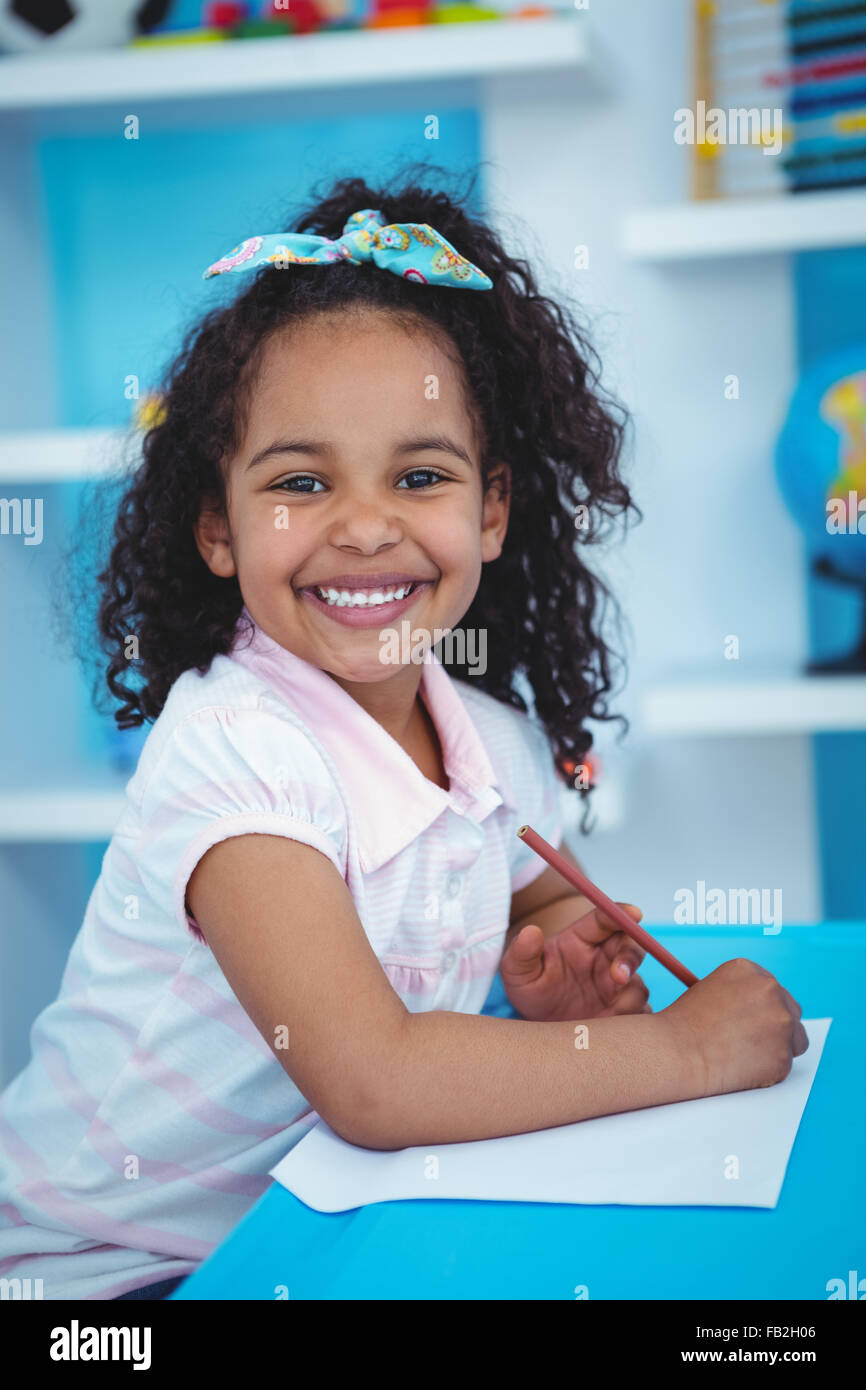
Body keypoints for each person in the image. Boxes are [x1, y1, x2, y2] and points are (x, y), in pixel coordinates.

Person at [0, 167, 807, 1300]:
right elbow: (374, 1082)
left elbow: (531, 891)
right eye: (300, 481)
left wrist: (560, 960)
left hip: (311, 1231)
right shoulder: (235, 752)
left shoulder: (490, 742)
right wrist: (685, 1048)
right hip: (103, 1278)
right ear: (217, 526)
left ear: (490, 508)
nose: (367, 526)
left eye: (419, 475)